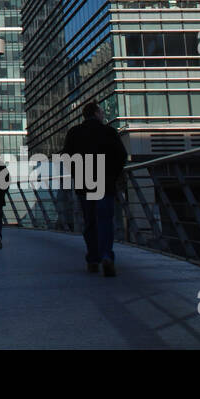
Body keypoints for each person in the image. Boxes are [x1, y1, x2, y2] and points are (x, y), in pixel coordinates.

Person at [62, 101, 127, 277]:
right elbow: (121, 156)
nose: (103, 114)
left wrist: (77, 174)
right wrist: (113, 175)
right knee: (105, 220)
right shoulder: (108, 132)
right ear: (96, 113)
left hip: (85, 182)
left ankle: (92, 259)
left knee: (90, 221)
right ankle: (107, 255)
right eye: (101, 111)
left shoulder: (74, 133)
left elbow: (66, 158)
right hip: (105, 182)